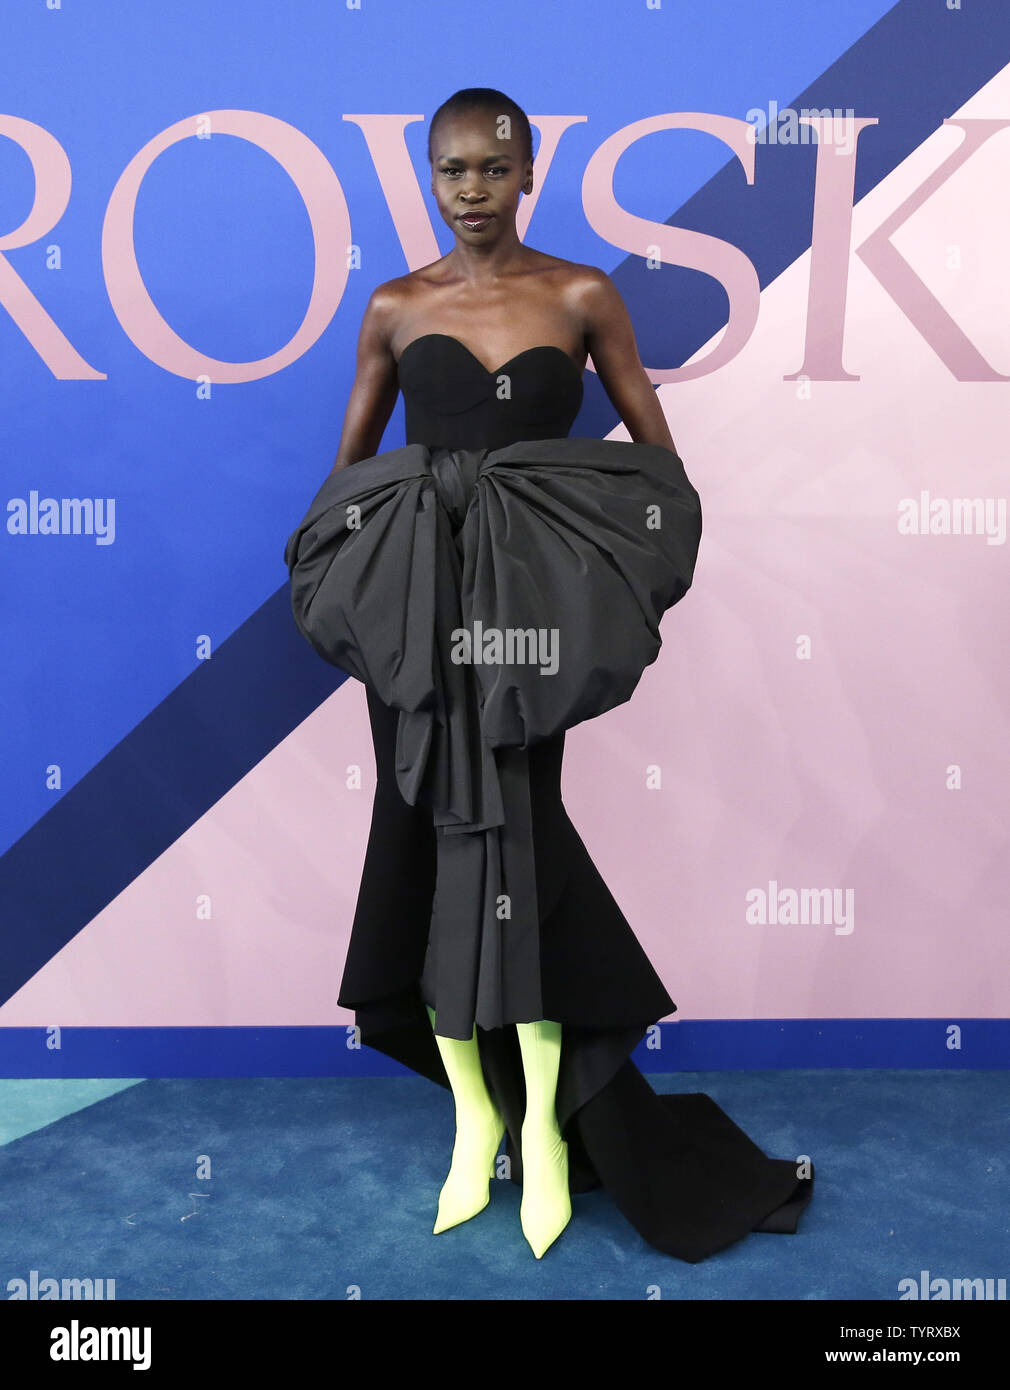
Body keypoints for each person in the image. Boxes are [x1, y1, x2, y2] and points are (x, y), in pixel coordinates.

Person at [285, 87, 814, 1261]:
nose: (470, 189)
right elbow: (347, 487)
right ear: (427, 179)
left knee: (517, 851)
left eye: (490, 167)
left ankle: (538, 1123)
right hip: (422, 639)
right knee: (423, 848)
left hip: (523, 638)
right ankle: (475, 1119)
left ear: (527, 173)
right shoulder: (392, 306)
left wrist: (612, 596)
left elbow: (654, 472)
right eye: (449, 170)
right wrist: (370, 607)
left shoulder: (581, 295)